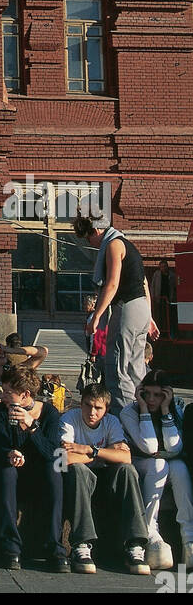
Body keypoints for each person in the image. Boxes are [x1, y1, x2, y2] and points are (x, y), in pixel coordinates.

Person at [60, 382, 150, 575]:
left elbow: (125, 457)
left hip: (106, 478)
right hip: (79, 481)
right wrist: (104, 454)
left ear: (106, 409)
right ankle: (82, 544)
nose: (92, 412)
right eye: (87, 405)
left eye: (98, 408)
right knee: (78, 469)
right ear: (81, 404)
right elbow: (63, 458)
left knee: (127, 471)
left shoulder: (112, 422)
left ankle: (135, 544)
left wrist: (88, 450)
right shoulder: (69, 419)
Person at [75, 211, 155, 412]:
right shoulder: (127, 243)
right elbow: (144, 282)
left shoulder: (113, 244)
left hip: (127, 307)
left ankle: (125, 418)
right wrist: (150, 316)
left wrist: (97, 316)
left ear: (95, 231)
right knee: (136, 367)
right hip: (141, 308)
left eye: (88, 238)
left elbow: (111, 284)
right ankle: (144, 413)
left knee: (116, 367)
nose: (90, 243)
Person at [0, 366, 67, 571]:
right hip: (13, 469)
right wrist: (10, 452)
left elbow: (52, 452)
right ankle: (11, 548)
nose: (2, 396)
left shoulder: (49, 413)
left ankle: (55, 548)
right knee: (6, 471)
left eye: (8, 392)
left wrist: (32, 426)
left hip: (39, 471)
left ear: (25, 395)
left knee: (55, 470)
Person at [119, 369, 193, 569]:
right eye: (147, 394)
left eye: (158, 395)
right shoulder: (130, 411)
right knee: (159, 463)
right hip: (140, 464)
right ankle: (151, 533)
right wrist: (143, 408)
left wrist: (166, 411)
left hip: (167, 466)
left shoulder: (175, 407)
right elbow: (149, 447)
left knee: (178, 467)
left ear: (167, 394)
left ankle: (189, 540)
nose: (152, 399)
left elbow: (175, 447)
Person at [149, 259, 178, 338]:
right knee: (160, 317)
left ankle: (170, 334)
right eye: (161, 267)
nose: (163, 268)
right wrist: (153, 296)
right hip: (159, 299)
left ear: (167, 266)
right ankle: (161, 333)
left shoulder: (171, 275)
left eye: (164, 266)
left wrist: (173, 297)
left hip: (169, 300)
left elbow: (174, 287)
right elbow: (153, 286)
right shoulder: (157, 274)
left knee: (170, 317)